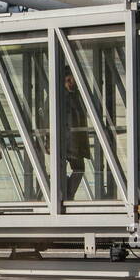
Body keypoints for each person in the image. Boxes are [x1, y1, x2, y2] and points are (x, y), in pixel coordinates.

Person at [62, 72, 91, 200]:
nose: (71, 83)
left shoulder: (77, 95)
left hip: (74, 141)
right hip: (67, 141)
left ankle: (67, 193)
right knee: (76, 168)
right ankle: (67, 194)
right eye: (68, 80)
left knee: (79, 168)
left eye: (72, 80)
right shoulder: (63, 96)